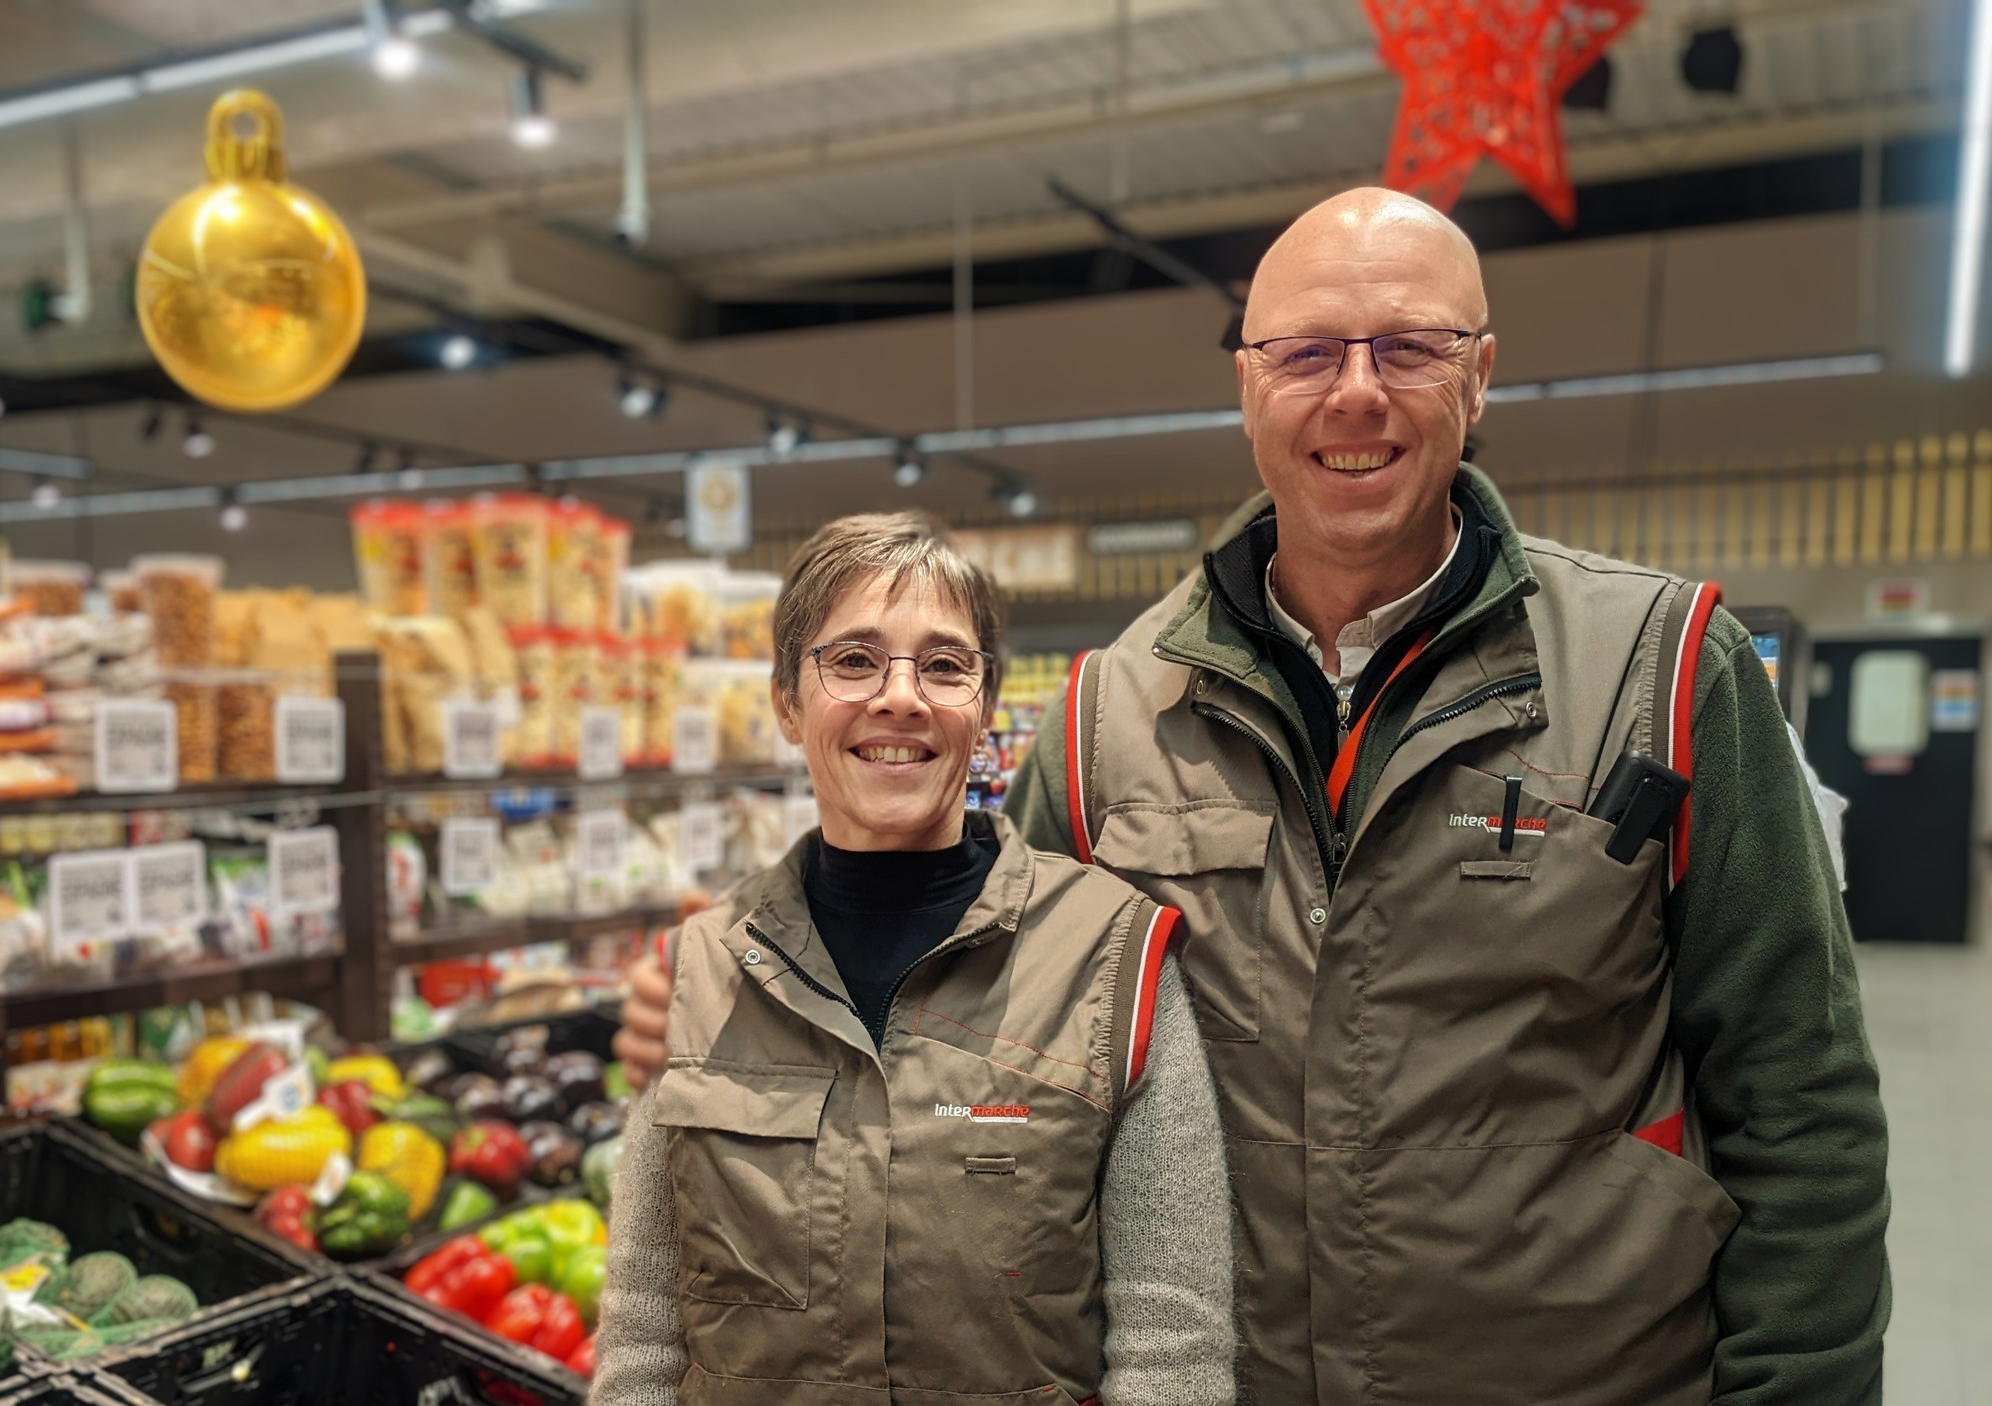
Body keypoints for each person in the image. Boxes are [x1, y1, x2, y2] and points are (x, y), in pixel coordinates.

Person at [616, 188, 1891, 1405]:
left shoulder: (1663, 670)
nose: (1355, 392)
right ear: (1246, 383)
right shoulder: (1108, 714)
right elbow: (971, 1020)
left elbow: (1800, 1095)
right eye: (1306, 353)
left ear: (1481, 373)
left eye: (1408, 346)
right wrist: (750, 1005)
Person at [589, 513, 1235, 1406]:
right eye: (852, 660)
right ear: (787, 703)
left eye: (943, 664)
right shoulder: (700, 970)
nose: (901, 696)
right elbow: (645, 1337)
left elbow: (1172, 1344)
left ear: (984, 709)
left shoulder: (1112, 958)